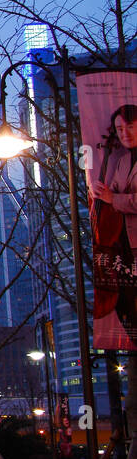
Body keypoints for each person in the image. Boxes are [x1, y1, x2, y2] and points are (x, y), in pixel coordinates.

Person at [89, 104, 137, 348]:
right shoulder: (123, 162)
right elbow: (115, 192)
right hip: (123, 245)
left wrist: (113, 199)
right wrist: (100, 191)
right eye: (119, 128)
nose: (124, 133)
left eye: (130, 126)